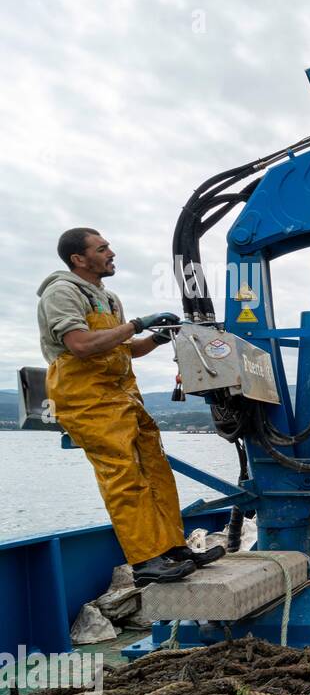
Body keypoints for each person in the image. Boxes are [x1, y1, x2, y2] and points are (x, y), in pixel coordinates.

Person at [36, 228, 225, 587]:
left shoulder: (108, 297)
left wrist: (157, 335)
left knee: (155, 469)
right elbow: (79, 344)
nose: (112, 253)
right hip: (86, 397)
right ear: (79, 259)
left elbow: (128, 349)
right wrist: (137, 324)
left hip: (123, 395)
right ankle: (144, 560)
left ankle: (172, 548)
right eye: (102, 248)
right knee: (123, 476)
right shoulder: (61, 292)